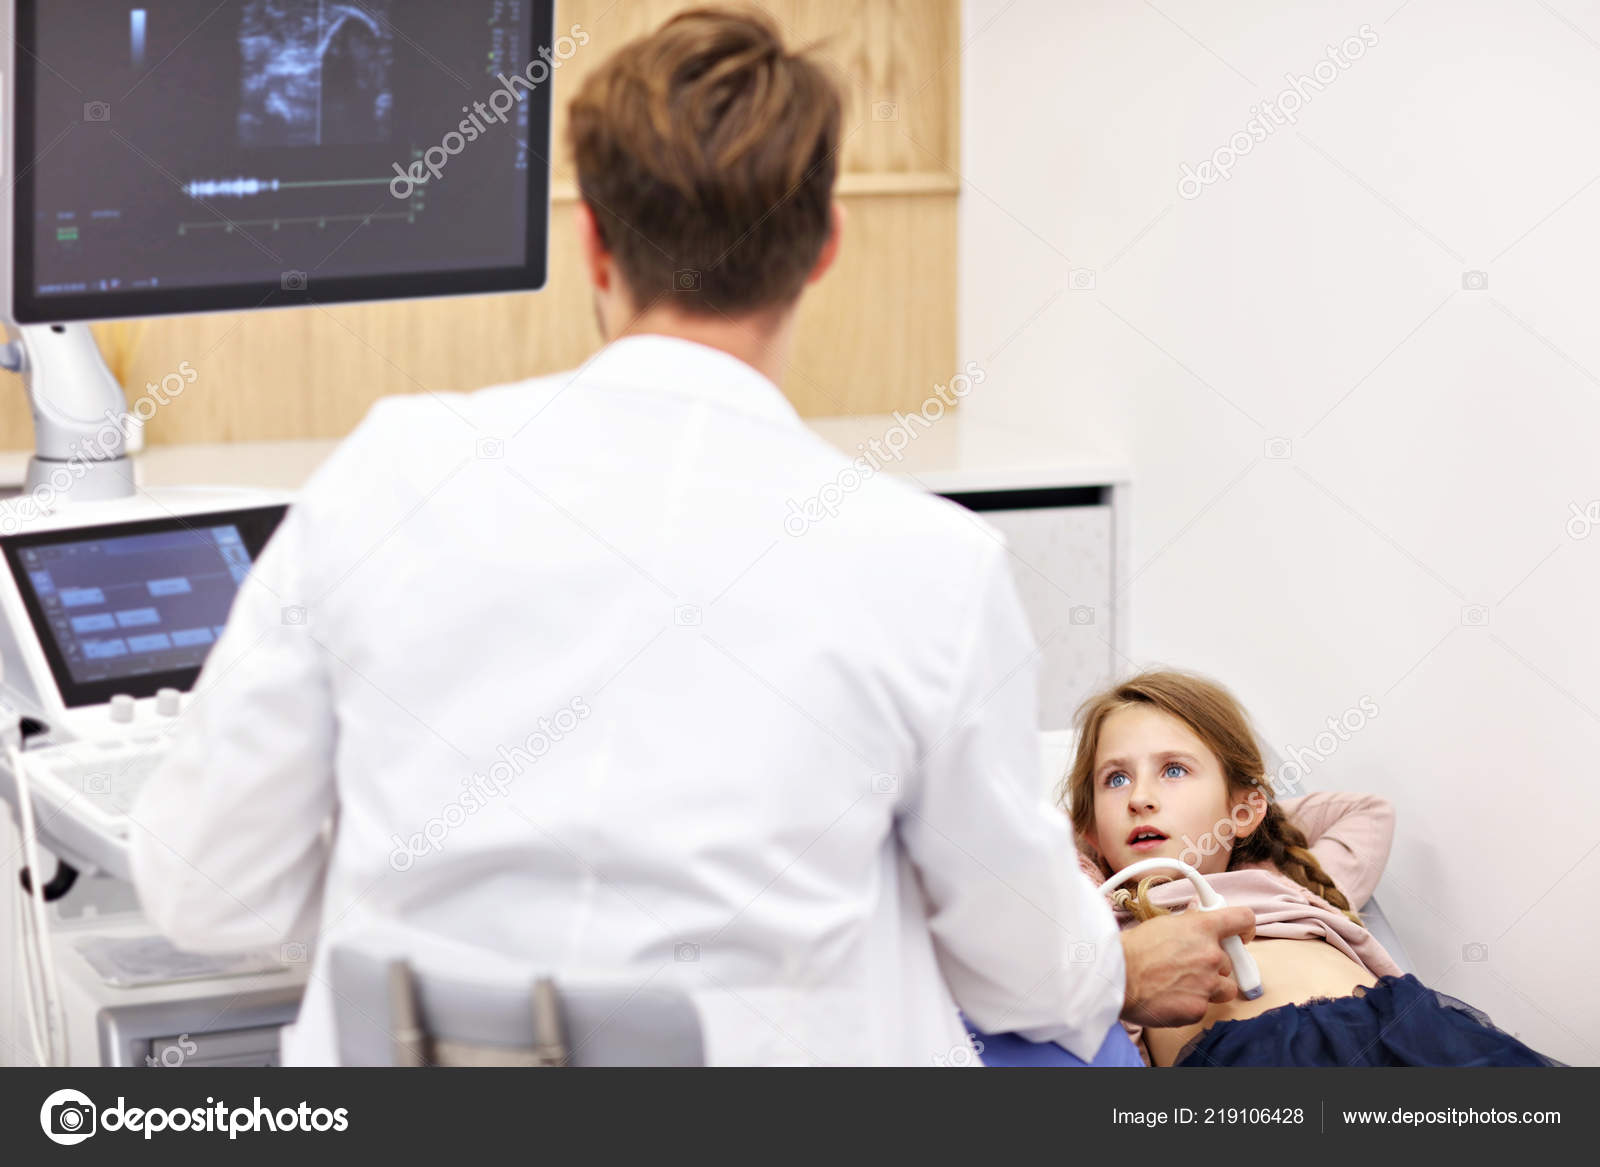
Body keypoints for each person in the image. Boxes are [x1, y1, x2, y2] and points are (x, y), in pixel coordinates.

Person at [129, 7, 1250, 1066]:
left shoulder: (386, 475)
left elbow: (205, 892)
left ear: (596, 242)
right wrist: (1102, 964)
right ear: (822, 247)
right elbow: (1023, 973)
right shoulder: (925, 562)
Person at [1063, 669, 1559, 1066]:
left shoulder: (1285, 877)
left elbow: (1366, 812)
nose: (1141, 798)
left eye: (1174, 770)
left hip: (1407, 1031)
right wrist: (1074, 845)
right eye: (1115, 779)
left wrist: (1246, 818)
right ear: (1090, 830)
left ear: (1245, 807)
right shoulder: (1101, 923)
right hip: (1253, 1058)